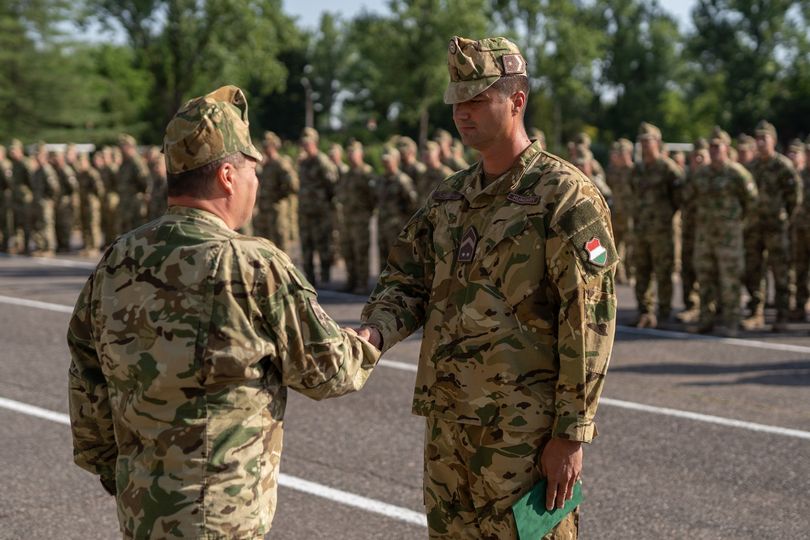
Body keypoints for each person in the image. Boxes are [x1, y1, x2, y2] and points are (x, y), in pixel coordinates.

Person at [67, 85, 380, 539]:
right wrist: (374, 336)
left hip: (142, 510)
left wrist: (119, 473)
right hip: (221, 517)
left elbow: (86, 376)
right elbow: (329, 371)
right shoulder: (252, 264)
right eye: (253, 170)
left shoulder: (118, 258)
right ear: (228, 176)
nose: (257, 183)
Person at [358, 36, 616, 539]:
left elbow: (588, 320)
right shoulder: (449, 197)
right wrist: (373, 334)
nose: (462, 112)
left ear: (517, 101)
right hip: (449, 431)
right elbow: (406, 282)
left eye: (477, 99)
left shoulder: (563, 196)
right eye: (457, 100)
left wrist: (571, 434)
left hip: (524, 437)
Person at [687, 128, 757, 336]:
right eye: (711, 146)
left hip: (729, 238)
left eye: (718, 146)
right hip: (705, 237)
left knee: (730, 280)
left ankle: (731, 321)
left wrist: (737, 224)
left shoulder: (737, 173)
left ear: (727, 147)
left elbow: (752, 202)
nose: (714, 150)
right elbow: (690, 200)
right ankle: (706, 319)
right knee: (705, 278)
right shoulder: (701, 174)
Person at [743, 121, 801, 332]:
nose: (760, 143)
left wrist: (784, 218)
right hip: (755, 227)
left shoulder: (783, 166)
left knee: (781, 271)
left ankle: (782, 314)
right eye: (757, 138)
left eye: (764, 138)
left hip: (776, 227)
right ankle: (756, 313)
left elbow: (794, 197)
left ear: (773, 141)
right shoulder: (751, 167)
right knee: (754, 270)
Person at [629, 122, 684, 328]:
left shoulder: (668, 168)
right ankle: (644, 312)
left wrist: (666, 217)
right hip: (641, 230)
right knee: (641, 271)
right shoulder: (637, 170)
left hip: (662, 231)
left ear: (658, 142)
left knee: (663, 272)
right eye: (642, 141)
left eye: (648, 141)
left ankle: (664, 312)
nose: (645, 145)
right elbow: (634, 194)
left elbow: (679, 198)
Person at [297, 127, 339, 284]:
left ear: (315, 142)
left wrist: (324, 201)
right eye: (303, 143)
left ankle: (325, 278)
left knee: (323, 245)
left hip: (320, 212)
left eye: (308, 142)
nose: (305, 145)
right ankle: (310, 279)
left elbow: (333, 185)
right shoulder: (303, 162)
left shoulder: (322, 161)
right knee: (306, 246)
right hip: (305, 212)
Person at [337, 140, 376, 294]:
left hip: (360, 218)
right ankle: (351, 280)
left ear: (361, 154)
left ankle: (362, 283)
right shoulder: (347, 174)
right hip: (347, 218)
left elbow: (373, 196)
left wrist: (367, 212)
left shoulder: (366, 172)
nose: (351, 156)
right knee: (348, 250)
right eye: (349, 153)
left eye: (354, 152)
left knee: (361, 251)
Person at [375, 146, 417, 265]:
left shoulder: (403, 180)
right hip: (382, 226)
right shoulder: (380, 180)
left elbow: (412, 204)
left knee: (398, 261)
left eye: (388, 160)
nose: (385, 163)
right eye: (384, 160)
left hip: (397, 228)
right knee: (383, 261)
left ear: (396, 160)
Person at [606, 138, 635, 284]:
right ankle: (619, 274)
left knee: (631, 247)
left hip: (630, 214)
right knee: (615, 246)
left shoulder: (634, 171)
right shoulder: (612, 171)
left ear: (629, 153)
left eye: (622, 152)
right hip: (616, 213)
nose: (619, 156)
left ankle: (631, 274)